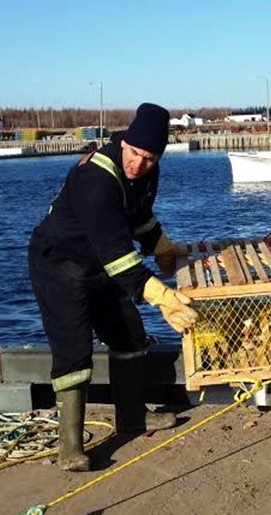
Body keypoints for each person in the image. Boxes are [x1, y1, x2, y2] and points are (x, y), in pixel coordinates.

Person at [28, 103, 198, 472]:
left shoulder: (149, 173)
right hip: (60, 265)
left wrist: (161, 244)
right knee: (74, 351)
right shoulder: (96, 178)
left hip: (100, 265)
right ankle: (69, 447)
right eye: (136, 154)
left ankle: (132, 417)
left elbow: (138, 217)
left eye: (150, 158)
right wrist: (163, 297)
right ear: (124, 143)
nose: (140, 164)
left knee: (131, 338)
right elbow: (118, 256)